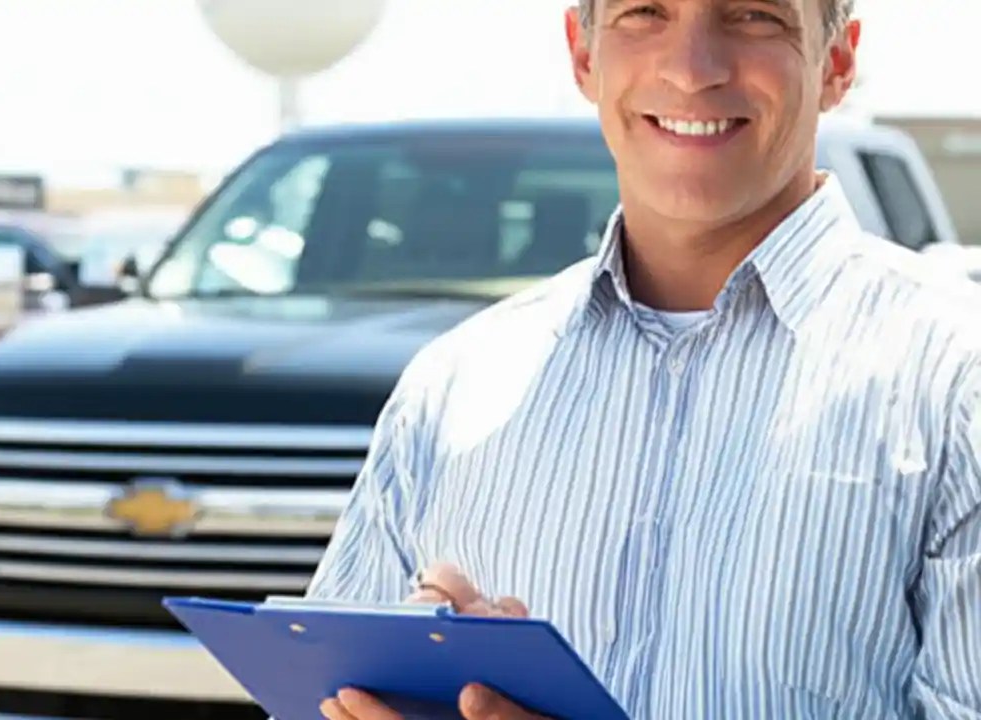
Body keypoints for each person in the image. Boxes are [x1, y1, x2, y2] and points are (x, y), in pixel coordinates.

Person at [308, 1, 981, 718]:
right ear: (584, 53)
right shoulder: (452, 386)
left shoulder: (956, 383)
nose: (692, 70)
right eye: (645, 13)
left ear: (837, 62)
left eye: (754, 15)